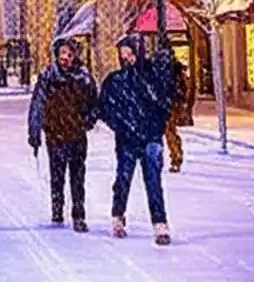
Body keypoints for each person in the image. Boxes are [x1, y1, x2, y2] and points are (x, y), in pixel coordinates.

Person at [98, 35, 175, 245]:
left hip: (151, 136)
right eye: (123, 56)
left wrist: (156, 124)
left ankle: (160, 224)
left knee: (154, 182)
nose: (127, 59)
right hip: (127, 139)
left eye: (130, 54)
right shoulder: (116, 81)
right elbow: (104, 107)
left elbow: (165, 102)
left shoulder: (152, 76)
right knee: (123, 179)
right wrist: (121, 125)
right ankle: (118, 216)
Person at [28, 38, 98, 232]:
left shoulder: (83, 78)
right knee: (57, 175)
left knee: (78, 175)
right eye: (62, 54)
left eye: (69, 54)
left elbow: (94, 103)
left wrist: (87, 122)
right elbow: (38, 105)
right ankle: (57, 210)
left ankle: (78, 214)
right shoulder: (49, 76)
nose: (65, 58)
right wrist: (35, 131)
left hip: (76, 133)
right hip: (55, 133)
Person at [165, 56, 194, 173]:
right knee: (170, 132)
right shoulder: (180, 76)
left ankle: (176, 157)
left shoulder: (168, 76)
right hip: (173, 106)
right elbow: (189, 93)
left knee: (169, 132)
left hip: (169, 107)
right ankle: (176, 156)